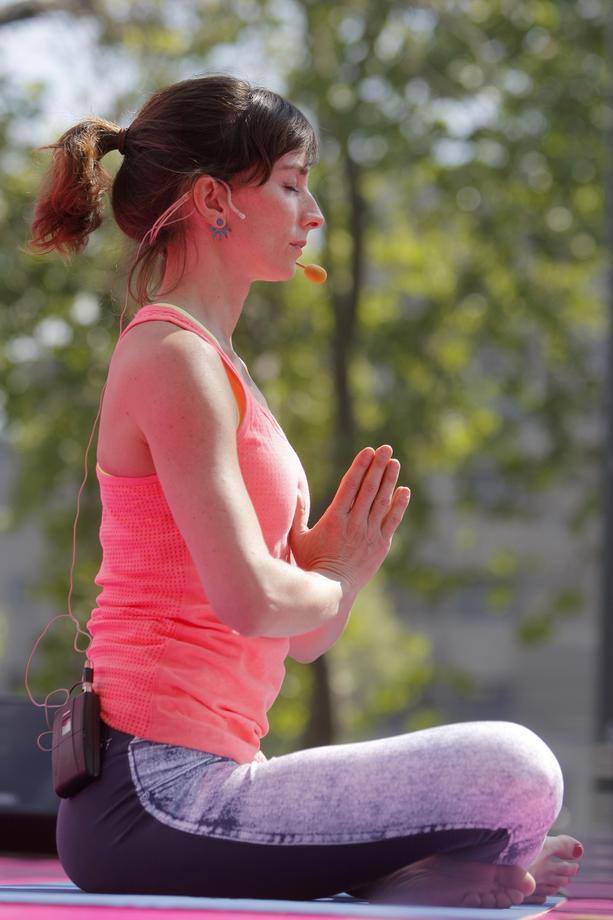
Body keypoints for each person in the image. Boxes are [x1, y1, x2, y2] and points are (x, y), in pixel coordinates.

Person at [26, 73, 583, 905]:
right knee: (513, 770)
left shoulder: (215, 362)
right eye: (290, 184)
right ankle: (400, 876)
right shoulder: (171, 356)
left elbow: (297, 638)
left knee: (517, 780)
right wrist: (323, 580)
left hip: (202, 784)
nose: (312, 214)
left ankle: (402, 875)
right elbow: (254, 599)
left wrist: (341, 575)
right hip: (152, 799)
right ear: (215, 198)